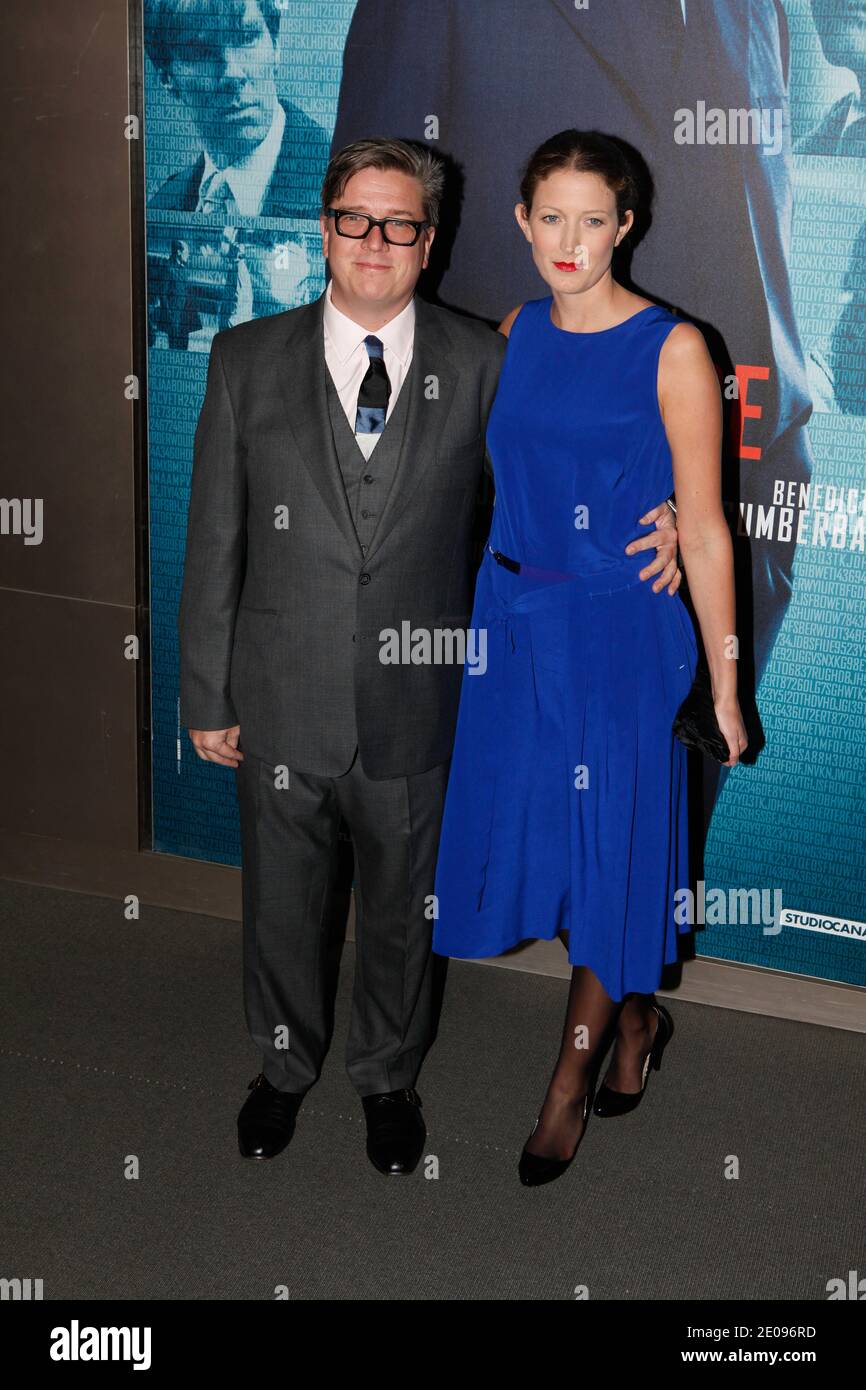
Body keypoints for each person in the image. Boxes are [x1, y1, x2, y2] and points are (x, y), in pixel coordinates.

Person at [177, 137, 681, 1176]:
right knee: (280, 902)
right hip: (279, 694)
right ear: (324, 228)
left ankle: (386, 1078)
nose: (375, 240)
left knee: (405, 909)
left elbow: (568, 457)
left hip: (424, 698)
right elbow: (213, 540)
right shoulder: (245, 360)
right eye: (355, 219)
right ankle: (280, 1071)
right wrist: (206, 692)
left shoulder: (486, 358)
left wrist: (668, 510)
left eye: (399, 223)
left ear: (429, 240)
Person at [331, 0, 815, 818]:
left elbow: (755, 208)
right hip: (527, 492)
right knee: (510, 821)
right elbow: (376, 245)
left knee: (655, 820)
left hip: (740, 460)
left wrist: (700, 478)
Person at [431, 130, 748, 1187]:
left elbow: (702, 530)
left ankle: (564, 1087)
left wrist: (727, 683)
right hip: (514, 621)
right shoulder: (513, 329)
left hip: (620, 634)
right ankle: (638, 1014)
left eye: (593, 218)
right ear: (522, 223)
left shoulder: (673, 348)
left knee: (610, 854)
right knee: (566, 854)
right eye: (549, 218)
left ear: (627, 225)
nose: (570, 240)